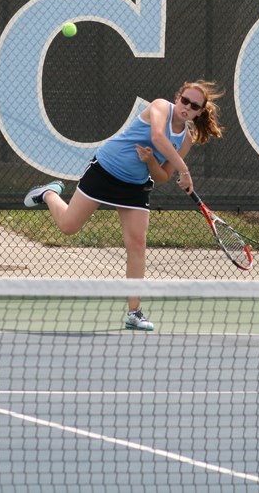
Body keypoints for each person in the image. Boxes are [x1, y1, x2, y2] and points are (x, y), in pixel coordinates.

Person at [23, 80, 225, 331]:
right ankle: (49, 194)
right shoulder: (160, 106)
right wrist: (185, 171)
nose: (187, 107)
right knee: (68, 227)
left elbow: (162, 176)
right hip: (105, 171)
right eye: (185, 100)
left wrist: (151, 161)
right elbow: (157, 136)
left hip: (135, 186)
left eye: (194, 106)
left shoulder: (185, 140)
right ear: (177, 97)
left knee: (138, 244)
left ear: (199, 112)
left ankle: (134, 311)